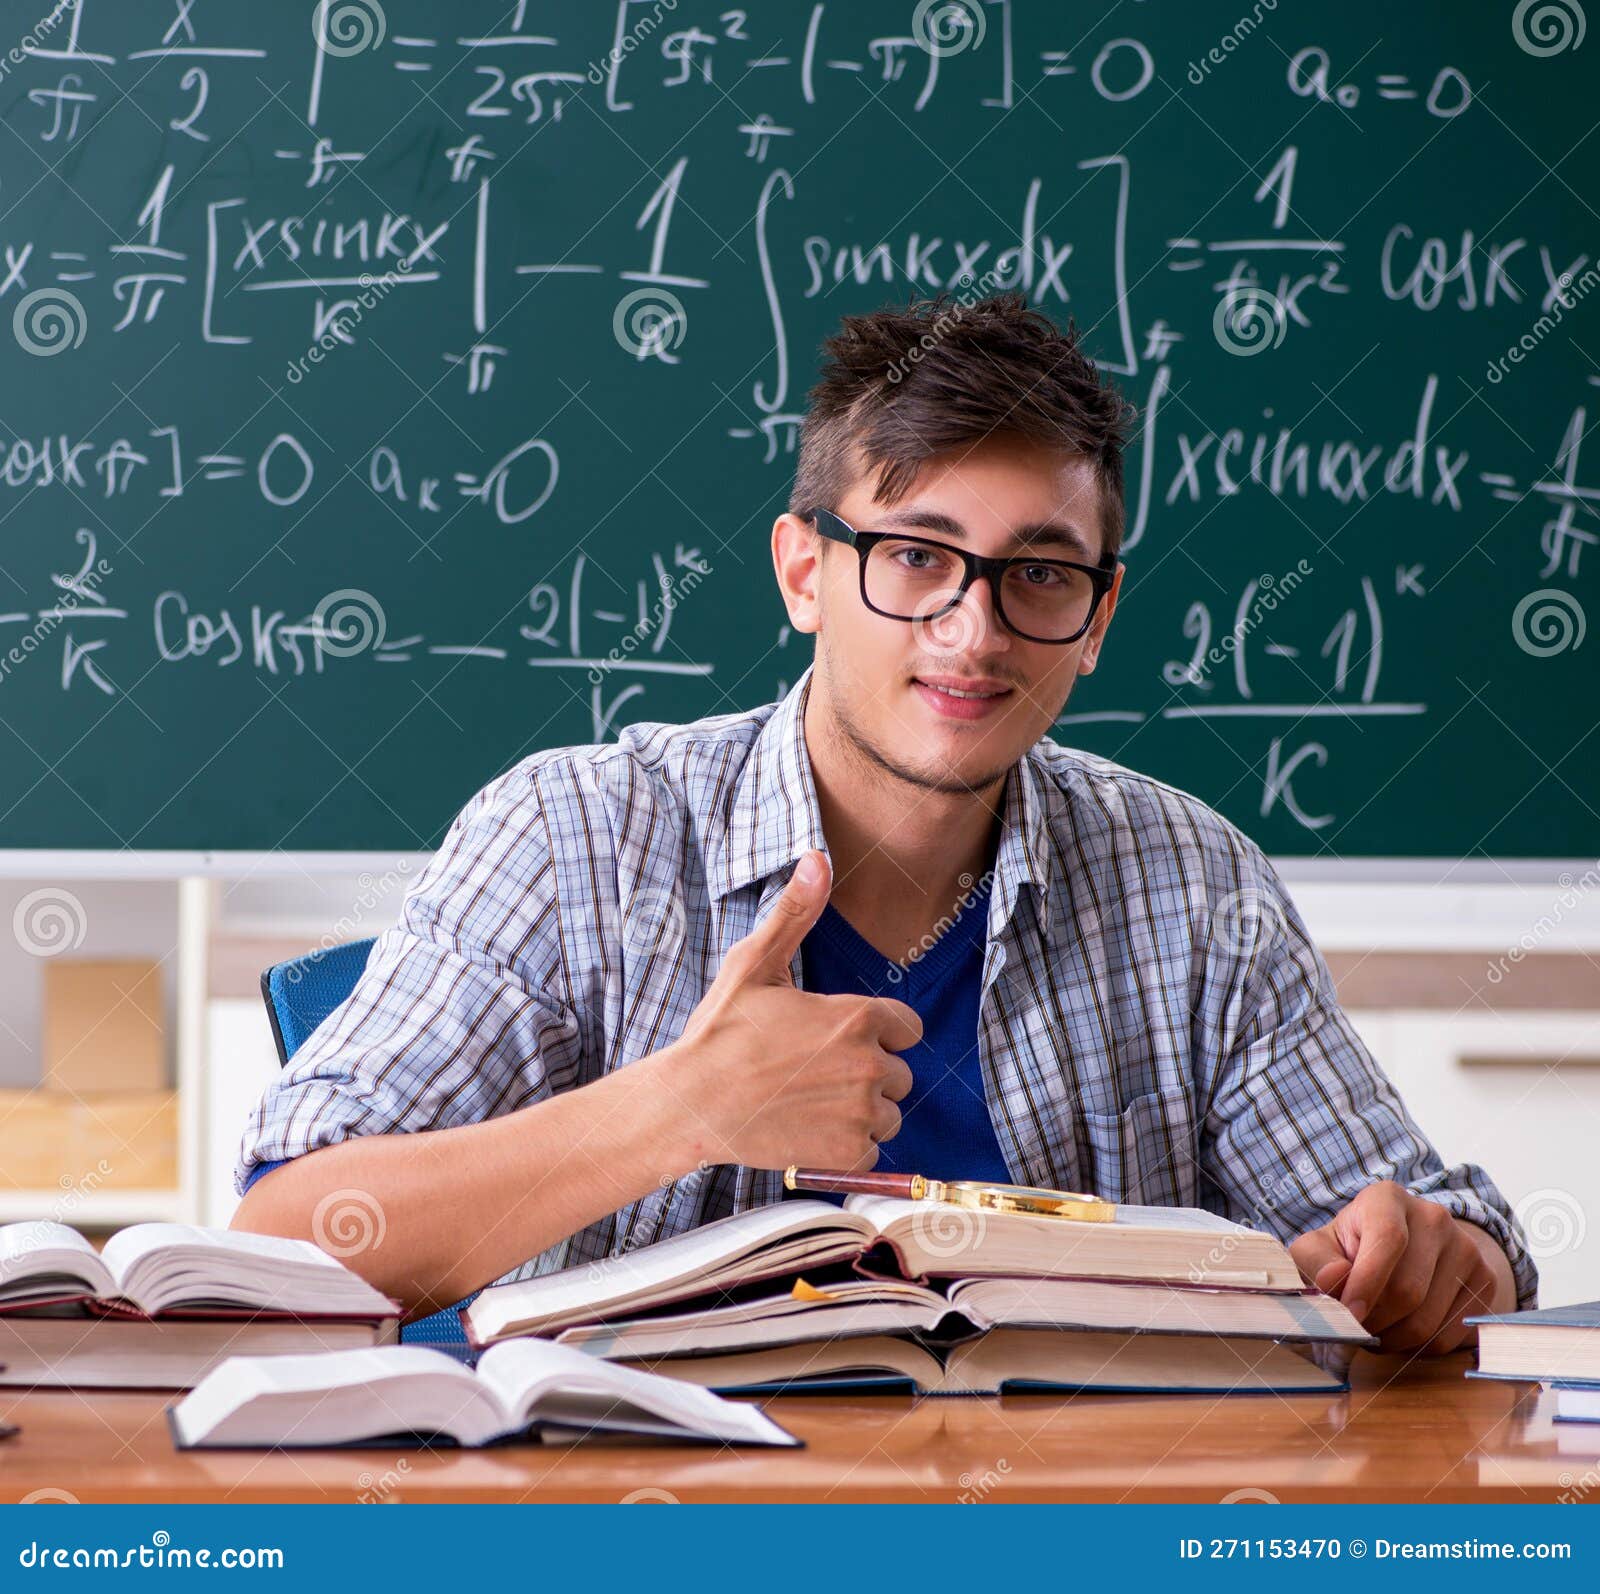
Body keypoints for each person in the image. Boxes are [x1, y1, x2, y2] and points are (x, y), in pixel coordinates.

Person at [233, 293, 1535, 1354]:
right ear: (806, 571)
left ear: (1097, 615)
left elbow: (1458, 1250)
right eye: (915, 554)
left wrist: (1429, 1260)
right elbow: (288, 1240)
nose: (972, 631)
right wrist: (675, 1110)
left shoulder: (1195, 885)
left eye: (1038, 571)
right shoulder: (572, 837)